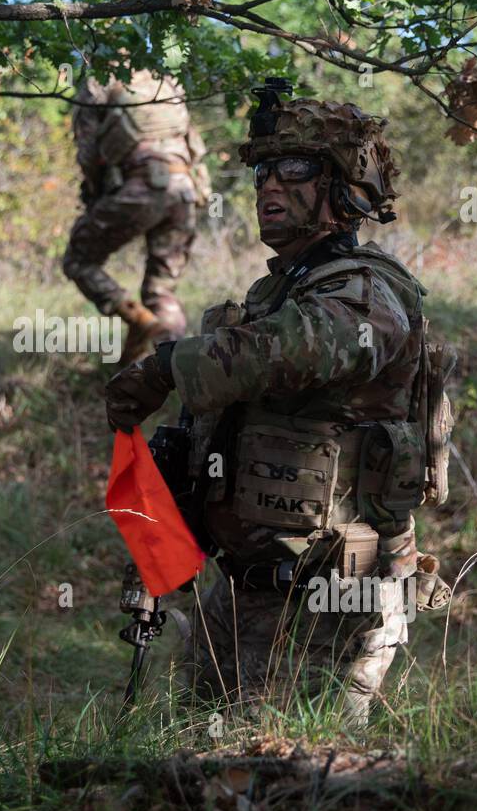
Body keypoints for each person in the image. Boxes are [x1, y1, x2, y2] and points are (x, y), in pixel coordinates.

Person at [105, 81, 455, 727]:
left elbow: (301, 349)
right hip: (247, 585)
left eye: (295, 171)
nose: (269, 187)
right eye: (265, 172)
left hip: (333, 594)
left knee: (303, 782)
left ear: (345, 186)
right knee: (205, 765)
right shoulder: (274, 295)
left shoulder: (367, 290)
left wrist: (167, 365)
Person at [63, 69, 211, 364]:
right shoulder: (166, 80)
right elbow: (191, 144)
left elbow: (88, 152)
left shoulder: (98, 80)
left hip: (141, 187)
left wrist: (95, 194)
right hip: (184, 191)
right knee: (161, 291)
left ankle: (140, 321)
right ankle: (174, 372)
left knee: (78, 261)